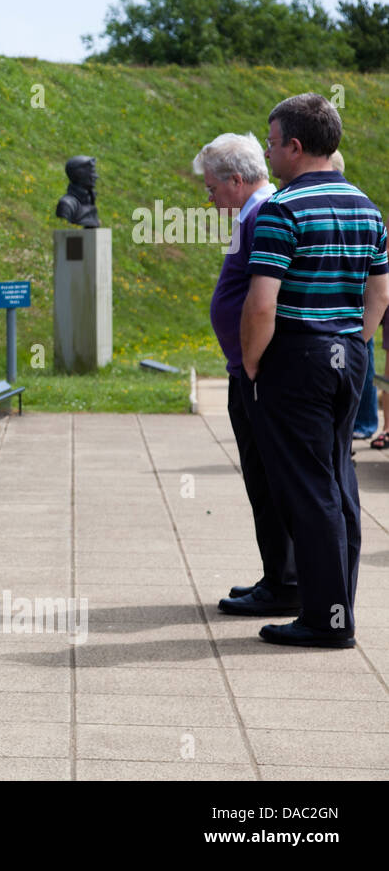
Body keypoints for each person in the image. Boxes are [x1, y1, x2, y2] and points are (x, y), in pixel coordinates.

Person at [240, 93, 389, 648]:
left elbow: (261, 304)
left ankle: (325, 620)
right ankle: (338, 608)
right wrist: (354, 341)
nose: (270, 152)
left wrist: (254, 361)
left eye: (272, 142)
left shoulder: (284, 208)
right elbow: (379, 292)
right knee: (338, 481)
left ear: (295, 146)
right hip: (348, 354)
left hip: (297, 356)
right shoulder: (366, 205)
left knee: (308, 489)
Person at [196, 134, 298, 616]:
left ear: (237, 181)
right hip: (250, 369)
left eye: (212, 187)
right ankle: (277, 575)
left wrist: (251, 364)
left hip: (258, 372)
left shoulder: (261, 215)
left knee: (269, 479)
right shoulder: (253, 215)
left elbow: (264, 301)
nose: (209, 198)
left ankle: (285, 584)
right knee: (264, 479)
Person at [337, 150, 382, 442]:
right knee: (363, 360)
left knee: (363, 363)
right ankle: (362, 421)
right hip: (359, 303)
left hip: (350, 302)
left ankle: (362, 421)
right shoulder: (363, 207)